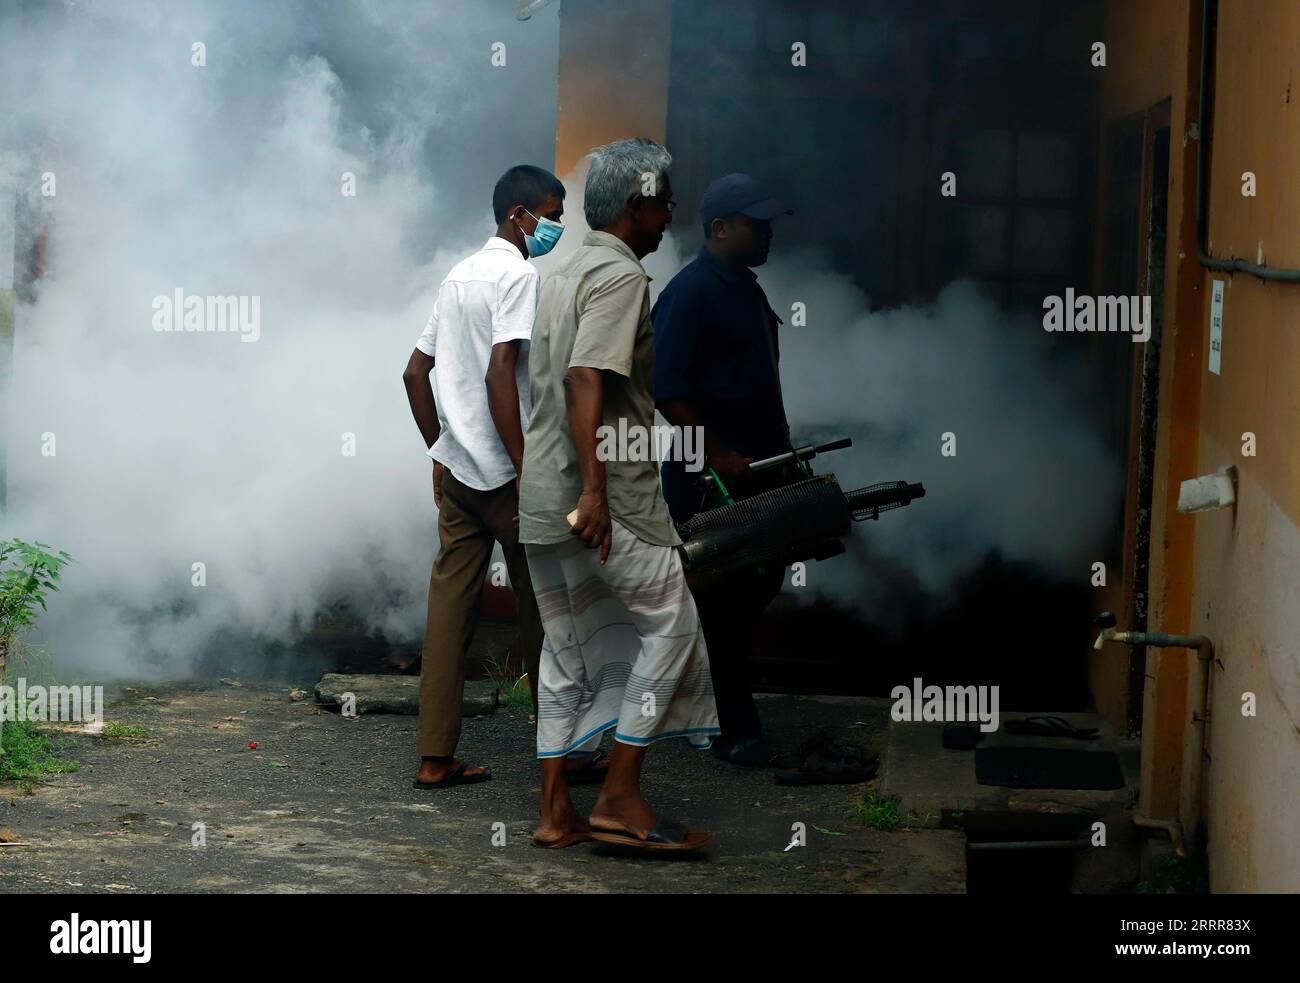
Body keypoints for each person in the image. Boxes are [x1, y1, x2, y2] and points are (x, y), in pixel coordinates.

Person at [519, 138, 718, 850]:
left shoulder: (556, 269)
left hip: (543, 498)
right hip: (609, 499)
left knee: (566, 651)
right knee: (674, 628)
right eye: (665, 203)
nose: (670, 217)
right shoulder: (620, 276)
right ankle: (619, 796)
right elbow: (584, 378)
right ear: (637, 206)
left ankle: (553, 815)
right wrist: (598, 492)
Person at [401, 164, 565, 789]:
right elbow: (504, 374)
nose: (555, 226)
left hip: (460, 476)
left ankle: (434, 757)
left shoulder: (458, 275)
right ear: (519, 214)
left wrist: (438, 453)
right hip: (508, 475)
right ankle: (566, 751)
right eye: (551, 215)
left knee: (449, 615)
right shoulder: (519, 274)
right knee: (548, 611)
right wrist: (527, 475)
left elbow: (416, 374)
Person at [651, 172, 795, 766]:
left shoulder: (747, 289)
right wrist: (718, 455)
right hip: (706, 474)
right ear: (719, 229)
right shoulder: (689, 294)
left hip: (756, 467)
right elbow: (668, 390)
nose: (766, 234)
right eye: (754, 225)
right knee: (724, 599)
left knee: (754, 585)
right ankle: (732, 729)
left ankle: (712, 715)